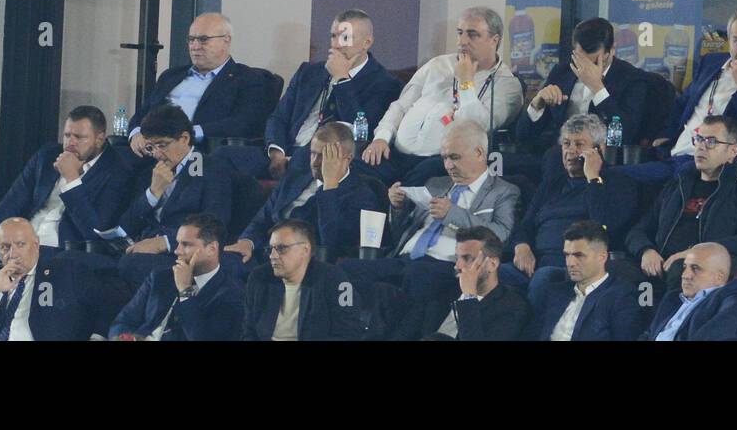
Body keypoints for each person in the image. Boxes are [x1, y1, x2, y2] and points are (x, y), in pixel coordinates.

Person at [342, 119, 520, 340]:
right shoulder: (436, 184)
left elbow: (500, 235)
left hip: (448, 266)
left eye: (455, 157)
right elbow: (401, 233)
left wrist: (452, 215)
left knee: (417, 278)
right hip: (405, 259)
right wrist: (397, 208)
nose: (448, 165)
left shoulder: (503, 192)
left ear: (479, 153)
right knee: (343, 270)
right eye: (444, 157)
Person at [222, 10, 402, 180]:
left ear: (367, 42)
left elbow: (359, 132)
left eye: (345, 37)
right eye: (334, 36)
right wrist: (277, 153)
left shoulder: (384, 84)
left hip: (323, 160)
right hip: (284, 153)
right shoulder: (309, 72)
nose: (336, 45)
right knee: (222, 157)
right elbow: (279, 117)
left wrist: (341, 80)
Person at [360, 7, 522, 185]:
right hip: (395, 153)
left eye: (472, 34)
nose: (462, 41)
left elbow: (477, 126)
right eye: (460, 33)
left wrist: (466, 82)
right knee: (356, 168)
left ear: (494, 40)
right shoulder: (438, 64)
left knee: (418, 180)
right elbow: (401, 106)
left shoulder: (506, 84)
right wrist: (381, 138)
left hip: (442, 162)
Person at [642, 9, 737, 183]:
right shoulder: (711, 62)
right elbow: (683, 103)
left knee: (675, 183)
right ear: (729, 40)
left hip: (715, 168)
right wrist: (665, 134)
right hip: (675, 155)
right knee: (617, 177)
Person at [504, 113, 638, 307]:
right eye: (566, 144)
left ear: (599, 149)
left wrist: (593, 178)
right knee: (489, 272)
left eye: (579, 144)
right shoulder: (552, 183)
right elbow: (526, 224)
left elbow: (602, 228)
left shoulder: (618, 183)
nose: (570, 151)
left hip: (570, 266)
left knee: (544, 278)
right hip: (533, 263)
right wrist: (522, 246)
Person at [0, 106, 132, 261]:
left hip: (63, 254)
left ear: (99, 139)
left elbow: (94, 231)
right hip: (20, 245)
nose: (70, 143)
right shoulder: (47, 156)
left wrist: (71, 180)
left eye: (79, 137)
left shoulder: (117, 172)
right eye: (67, 135)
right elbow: (13, 202)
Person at [627, 115, 737, 292]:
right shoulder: (678, 184)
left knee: (680, 270)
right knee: (616, 271)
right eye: (699, 139)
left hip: (696, 267)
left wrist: (695, 254)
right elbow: (640, 229)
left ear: (733, 151)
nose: (701, 146)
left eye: (711, 141)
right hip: (659, 264)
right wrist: (646, 250)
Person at [226, 121, 383, 275]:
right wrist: (247, 242)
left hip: (301, 266)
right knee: (221, 263)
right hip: (263, 252)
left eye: (324, 156)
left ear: (346, 159)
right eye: (313, 153)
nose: (314, 162)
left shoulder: (361, 196)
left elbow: (330, 243)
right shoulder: (297, 175)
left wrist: (329, 187)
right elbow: (265, 215)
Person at [114, 103, 232, 288]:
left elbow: (215, 224)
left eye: (162, 145)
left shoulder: (211, 169)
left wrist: (163, 242)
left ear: (184, 138)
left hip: (181, 254)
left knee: (131, 265)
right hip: (140, 248)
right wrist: (153, 193)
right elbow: (126, 224)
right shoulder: (149, 171)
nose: (157, 154)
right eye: (151, 147)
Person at [127, 12, 274, 154]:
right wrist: (136, 133)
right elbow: (143, 112)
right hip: (150, 151)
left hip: (198, 153)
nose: (195, 46)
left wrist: (187, 134)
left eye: (203, 39)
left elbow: (243, 124)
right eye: (191, 39)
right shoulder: (171, 76)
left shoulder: (247, 79)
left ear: (226, 40)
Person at [515, 17, 651, 152]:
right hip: (559, 152)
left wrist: (598, 89)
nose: (586, 67)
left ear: (612, 50)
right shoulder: (561, 73)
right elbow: (523, 136)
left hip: (601, 157)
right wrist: (536, 105)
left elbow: (625, 136)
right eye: (580, 58)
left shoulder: (632, 79)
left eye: (594, 60)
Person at [109, 214, 243, 340]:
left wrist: (185, 291)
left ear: (211, 249)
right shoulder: (160, 277)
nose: (177, 251)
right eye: (178, 243)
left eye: (186, 245)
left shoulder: (231, 295)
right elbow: (123, 321)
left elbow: (201, 338)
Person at [0, 218, 95, 341]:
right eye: (5, 247)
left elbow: (103, 303)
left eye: (21, 244)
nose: (13, 254)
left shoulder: (63, 273)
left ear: (36, 244)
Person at [241, 220, 364, 341]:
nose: (272, 256)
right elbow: (248, 330)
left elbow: (349, 332)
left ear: (305, 249)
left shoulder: (336, 279)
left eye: (281, 248)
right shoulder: (259, 277)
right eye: (270, 249)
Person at [537, 221, 646, 341]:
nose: (570, 263)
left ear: (602, 257)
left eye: (579, 255)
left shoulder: (622, 296)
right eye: (567, 255)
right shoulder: (555, 292)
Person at [640, 242, 737, 341]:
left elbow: (720, 332)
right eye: (685, 267)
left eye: (696, 268)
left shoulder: (736, 292)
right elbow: (648, 334)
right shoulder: (672, 298)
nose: (685, 275)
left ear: (719, 277)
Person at [431, 226, 531, 341]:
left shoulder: (513, 307)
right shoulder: (444, 289)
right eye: (457, 258)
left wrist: (468, 298)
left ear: (492, 264)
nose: (458, 266)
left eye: (467, 258)